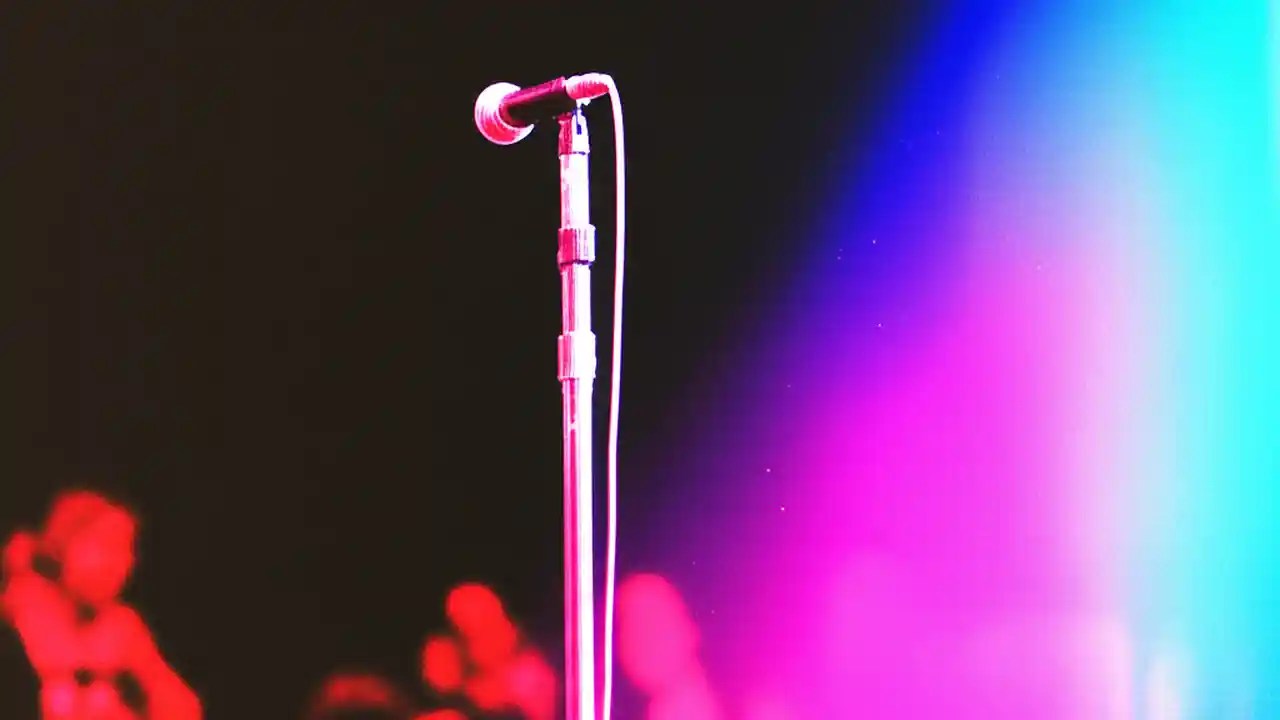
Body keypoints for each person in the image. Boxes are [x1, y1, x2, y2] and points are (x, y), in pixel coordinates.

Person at [1, 490, 202, 719]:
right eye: (106, 546)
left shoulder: (120, 625)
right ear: (63, 546)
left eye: (127, 550)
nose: (120, 564)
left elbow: (184, 708)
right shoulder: (18, 613)